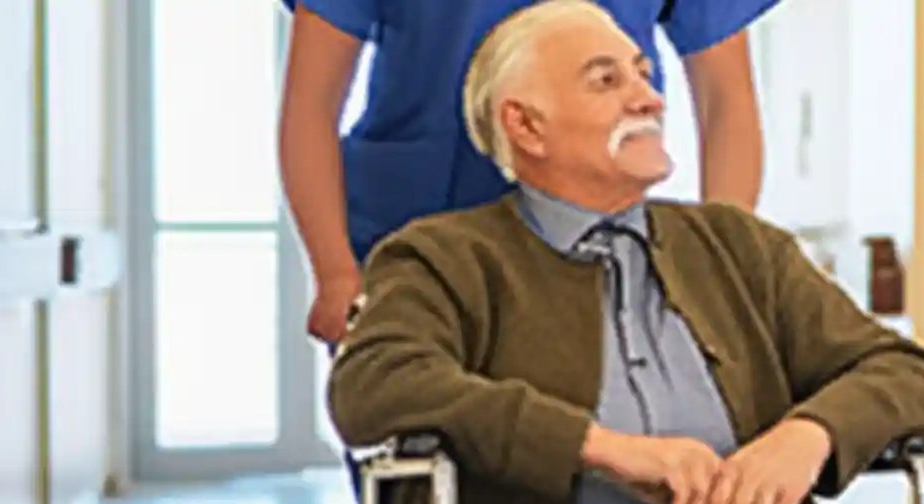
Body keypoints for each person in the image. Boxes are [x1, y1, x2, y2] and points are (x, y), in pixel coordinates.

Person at [327, 2, 924, 504]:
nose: (648, 97)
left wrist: (804, 439)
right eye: (606, 80)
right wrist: (605, 450)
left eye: (644, 74)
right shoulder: (446, 257)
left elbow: (908, 374)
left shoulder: (738, 248)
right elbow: (373, 384)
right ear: (525, 125)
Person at [278, 0, 779, 343]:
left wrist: (718, 266)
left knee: (599, 451)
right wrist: (335, 272)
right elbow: (310, 105)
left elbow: (725, 100)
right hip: (414, 239)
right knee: (418, 451)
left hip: (597, 241)